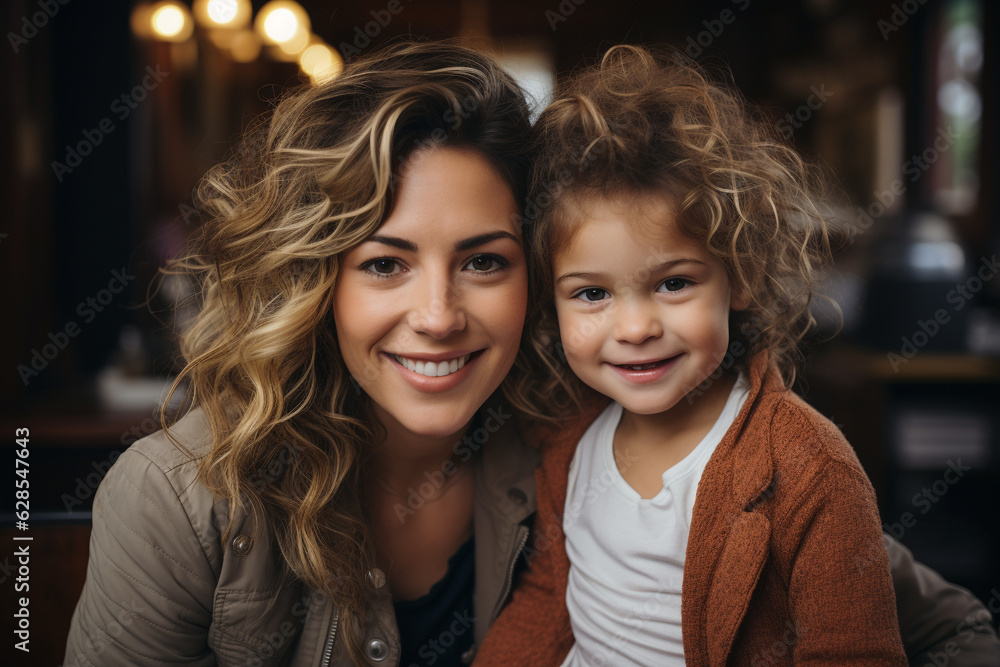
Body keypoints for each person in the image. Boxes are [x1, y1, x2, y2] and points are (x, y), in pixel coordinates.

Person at [62, 39, 996, 667]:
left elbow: (946, 625)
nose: (437, 315)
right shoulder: (178, 501)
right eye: (385, 263)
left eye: (484, 261)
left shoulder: (609, 429)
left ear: (537, 280)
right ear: (318, 282)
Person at [473, 45, 1000, 666]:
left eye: (674, 283)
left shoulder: (810, 468)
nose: (637, 327)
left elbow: (854, 654)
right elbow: (546, 603)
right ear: (550, 305)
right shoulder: (567, 438)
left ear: (740, 277)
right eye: (592, 293)